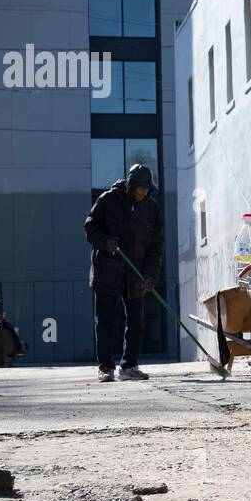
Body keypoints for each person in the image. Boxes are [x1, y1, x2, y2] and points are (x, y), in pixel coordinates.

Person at [84, 163, 164, 381]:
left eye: (148, 188)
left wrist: (150, 276)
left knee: (136, 323)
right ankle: (106, 367)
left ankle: (129, 366)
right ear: (132, 185)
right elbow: (90, 229)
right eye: (141, 188)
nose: (145, 192)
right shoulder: (108, 200)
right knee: (105, 321)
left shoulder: (151, 209)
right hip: (107, 270)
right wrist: (106, 242)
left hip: (136, 274)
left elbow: (156, 247)